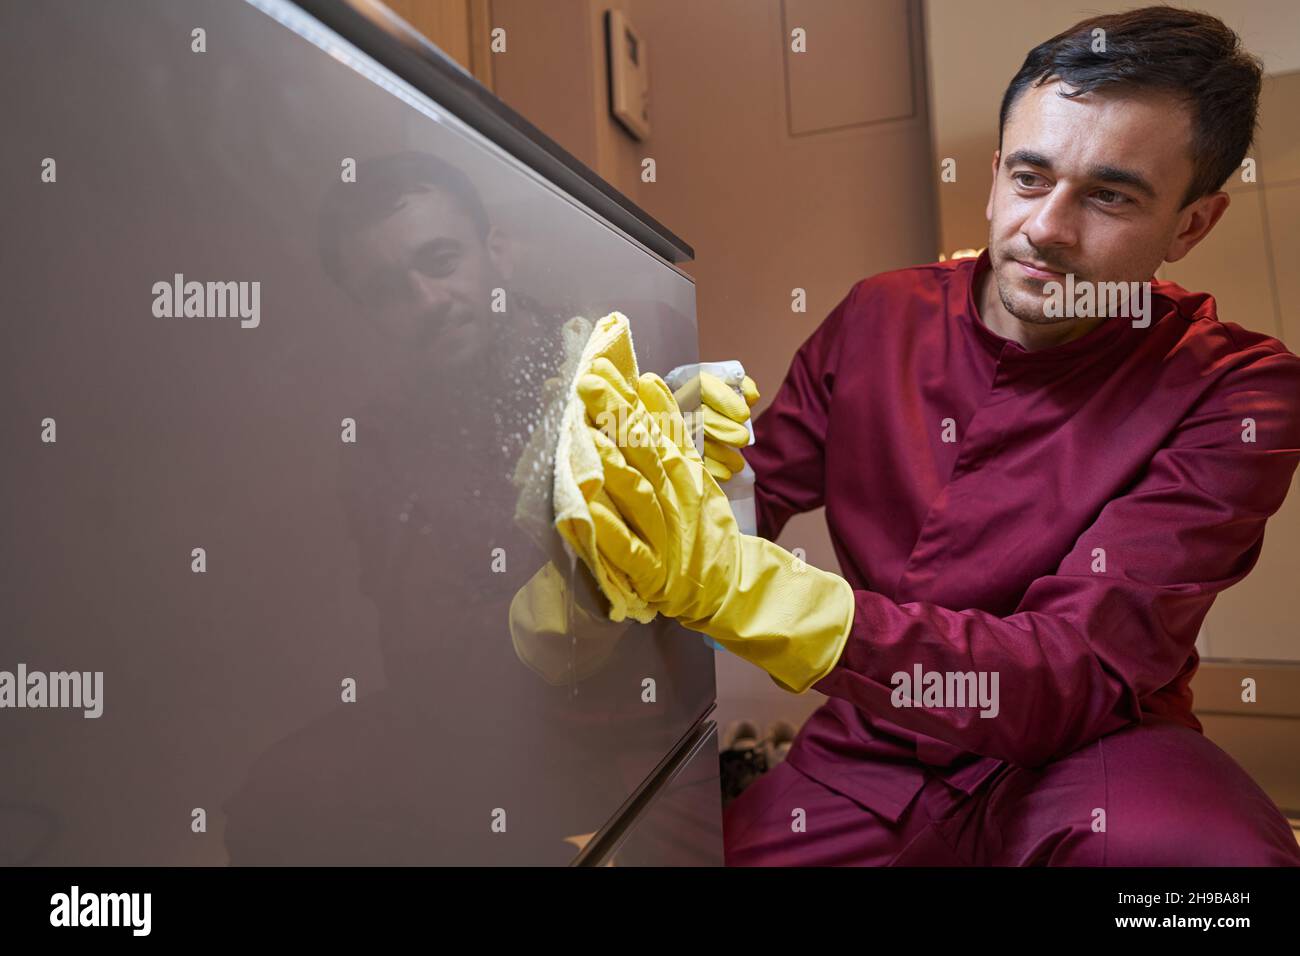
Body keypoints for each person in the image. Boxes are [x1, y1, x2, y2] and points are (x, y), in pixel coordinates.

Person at [571, 7, 1300, 865]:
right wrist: (674, 469)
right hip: (867, 750)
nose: (1047, 229)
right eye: (1030, 178)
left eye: (1109, 195)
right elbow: (746, 501)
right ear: (994, 178)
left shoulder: (1236, 387)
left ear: (1190, 225)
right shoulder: (880, 316)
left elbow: (1072, 670)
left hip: (1088, 757)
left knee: (1204, 877)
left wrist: (758, 596)